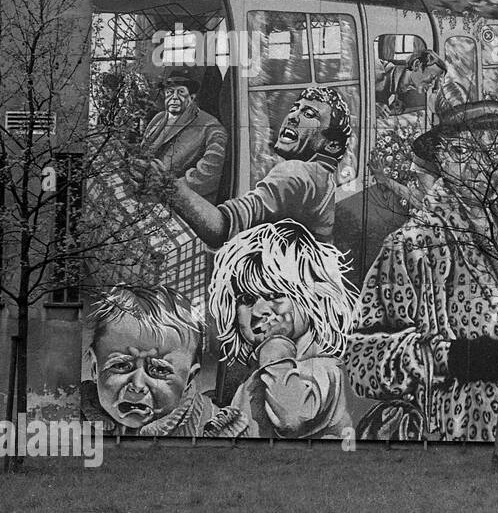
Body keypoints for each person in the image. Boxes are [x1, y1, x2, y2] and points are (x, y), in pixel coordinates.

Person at [344, 100, 498, 441]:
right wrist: (449, 358)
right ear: (444, 159)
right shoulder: (411, 246)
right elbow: (360, 359)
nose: (486, 167)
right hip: (447, 432)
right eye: (467, 152)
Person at [144, 87, 351, 247]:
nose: (293, 116)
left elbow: (222, 228)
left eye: (309, 114)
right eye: (295, 108)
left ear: (331, 145)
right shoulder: (321, 176)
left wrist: (168, 187)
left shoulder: (298, 173)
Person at [208, 220, 358, 438]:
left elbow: (292, 417)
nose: (259, 310)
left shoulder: (325, 370)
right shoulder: (251, 384)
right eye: (247, 299)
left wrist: (276, 346)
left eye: (274, 295)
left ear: (313, 298)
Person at [82, 284, 232, 437]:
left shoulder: (215, 428)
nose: (137, 385)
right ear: (95, 368)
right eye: (121, 365)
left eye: (160, 370)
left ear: (190, 377)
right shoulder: (69, 414)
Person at [139, 73, 227, 203]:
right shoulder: (158, 117)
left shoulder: (211, 127)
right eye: (169, 92)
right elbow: (142, 151)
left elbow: (209, 174)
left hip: (169, 204)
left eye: (180, 92)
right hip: (141, 193)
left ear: (191, 97)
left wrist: (166, 187)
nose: (174, 98)